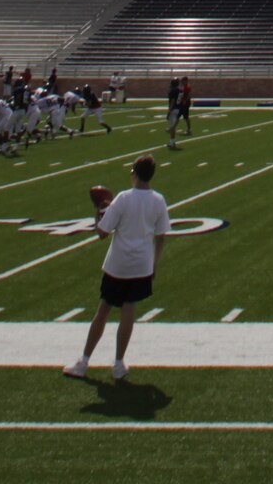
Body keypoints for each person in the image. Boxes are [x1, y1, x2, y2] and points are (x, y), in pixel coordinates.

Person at [67, 155, 173, 387]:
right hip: (141, 265)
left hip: (118, 264)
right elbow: (162, 236)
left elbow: (102, 232)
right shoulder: (158, 199)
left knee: (103, 309)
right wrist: (154, 264)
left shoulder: (123, 198)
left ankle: (83, 362)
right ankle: (118, 364)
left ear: (135, 173)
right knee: (128, 311)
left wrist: (98, 211)